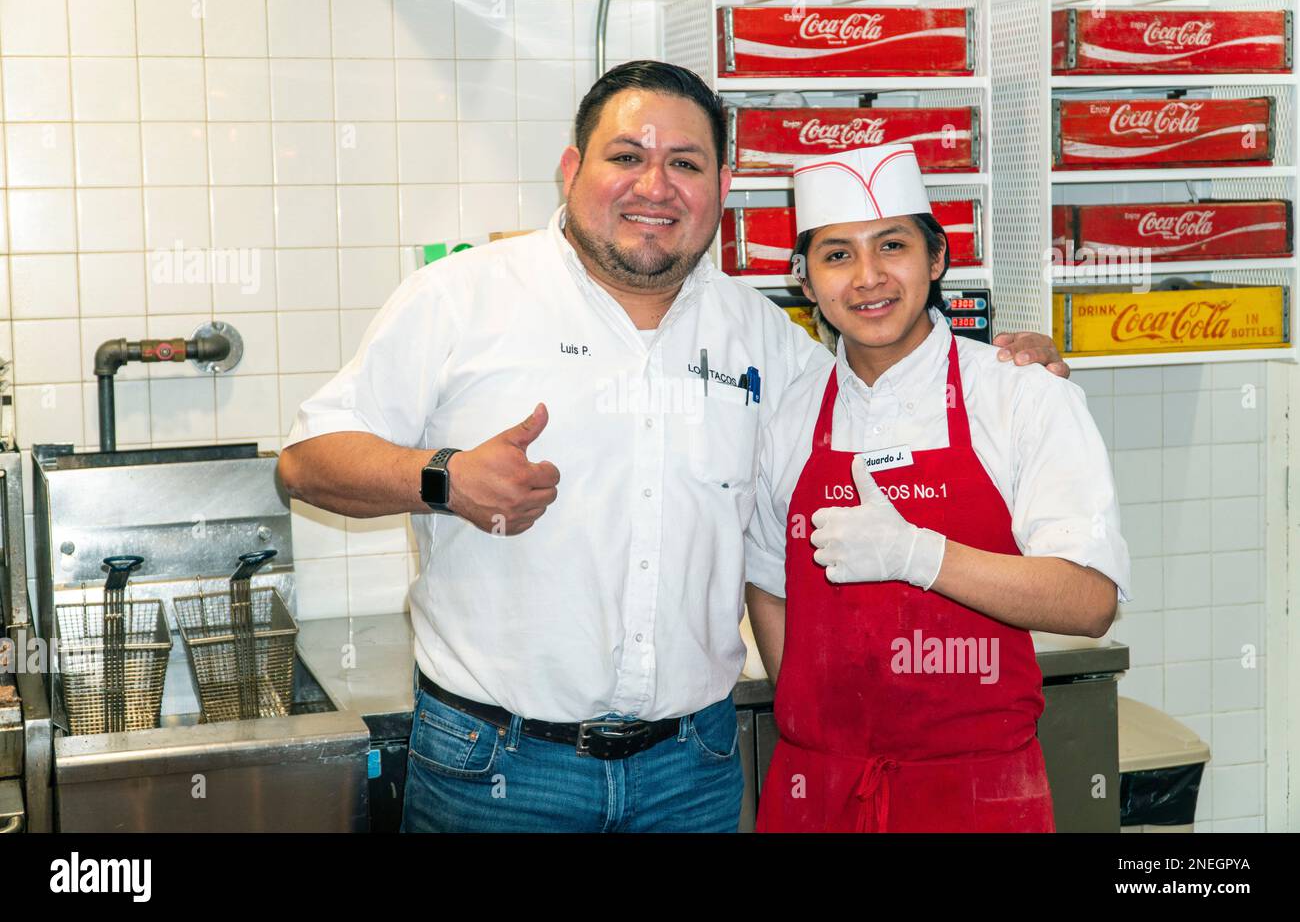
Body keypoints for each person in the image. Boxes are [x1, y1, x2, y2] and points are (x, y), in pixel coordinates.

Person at [277, 61, 1067, 833]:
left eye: (684, 163)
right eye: (627, 157)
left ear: (720, 188)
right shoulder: (462, 297)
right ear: (571, 168)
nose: (655, 186)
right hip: (500, 768)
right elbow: (306, 461)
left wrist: (1005, 367)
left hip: (693, 769)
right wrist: (440, 477)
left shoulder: (759, 333)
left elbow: (882, 393)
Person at [745, 144, 1130, 833]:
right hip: (819, 788)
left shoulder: (1022, 397)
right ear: (806, 282)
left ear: (937, 259)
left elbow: (1089, 600)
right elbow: (770, 585)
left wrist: (919, 555)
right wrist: (823, 725)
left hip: (979, 789)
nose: (868, 278)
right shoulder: (788, 413)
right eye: (837, 255)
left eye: (892, 246)